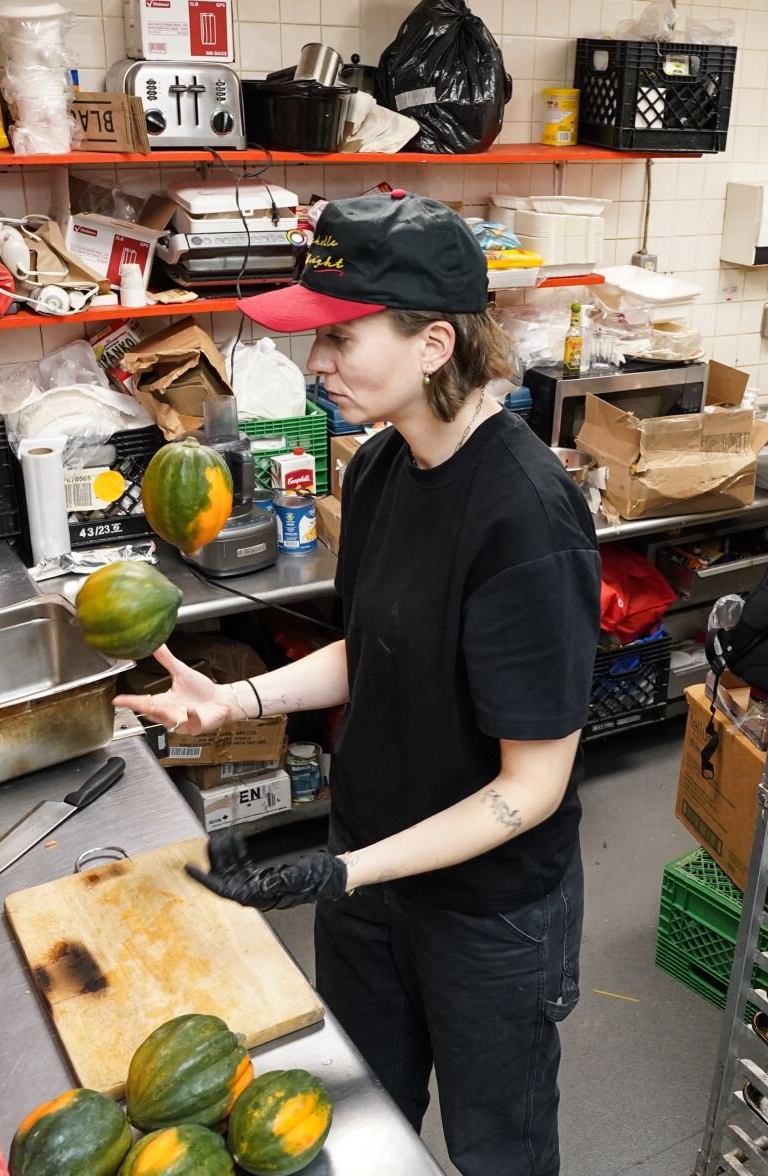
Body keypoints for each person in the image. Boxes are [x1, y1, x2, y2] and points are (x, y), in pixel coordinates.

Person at [115, 192, 601, 1176]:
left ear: (432, 345)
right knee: (353, 1119)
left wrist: (346, 870)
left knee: (495, 1149)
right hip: (369, 873)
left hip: (482, 909)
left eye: (339, 337)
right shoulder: (379, 468)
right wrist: (233, 701)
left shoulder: (524, 521)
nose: (315, 365)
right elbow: (377, 645)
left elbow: (528, 789)